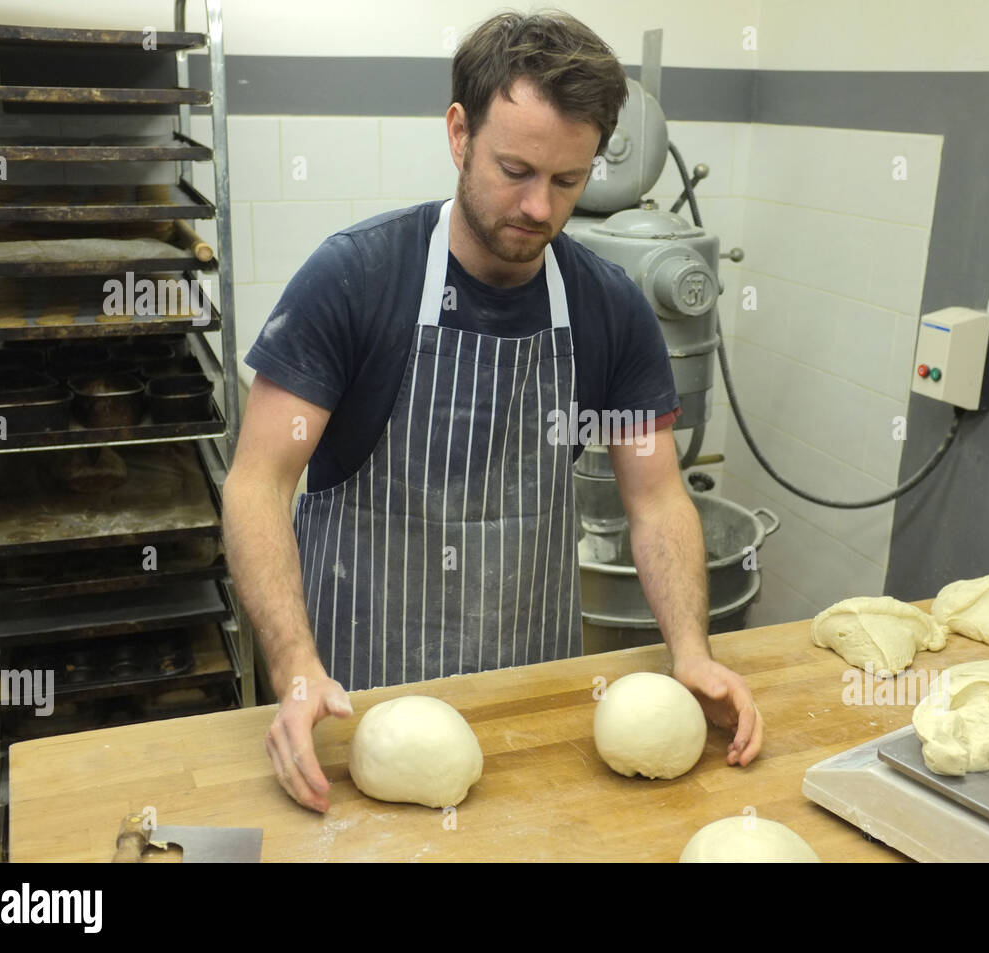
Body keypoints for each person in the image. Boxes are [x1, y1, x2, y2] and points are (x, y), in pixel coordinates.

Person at [223, 10, 764, 813]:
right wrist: (296, 666)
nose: (540, 208)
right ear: (458, 134)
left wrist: (690, 650)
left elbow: (655, 499)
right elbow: (256, 486)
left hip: (529, 698)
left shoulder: (608, 306)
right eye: (515, 169)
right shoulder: (356, 278)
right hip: (358, 703)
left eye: (568, 181)